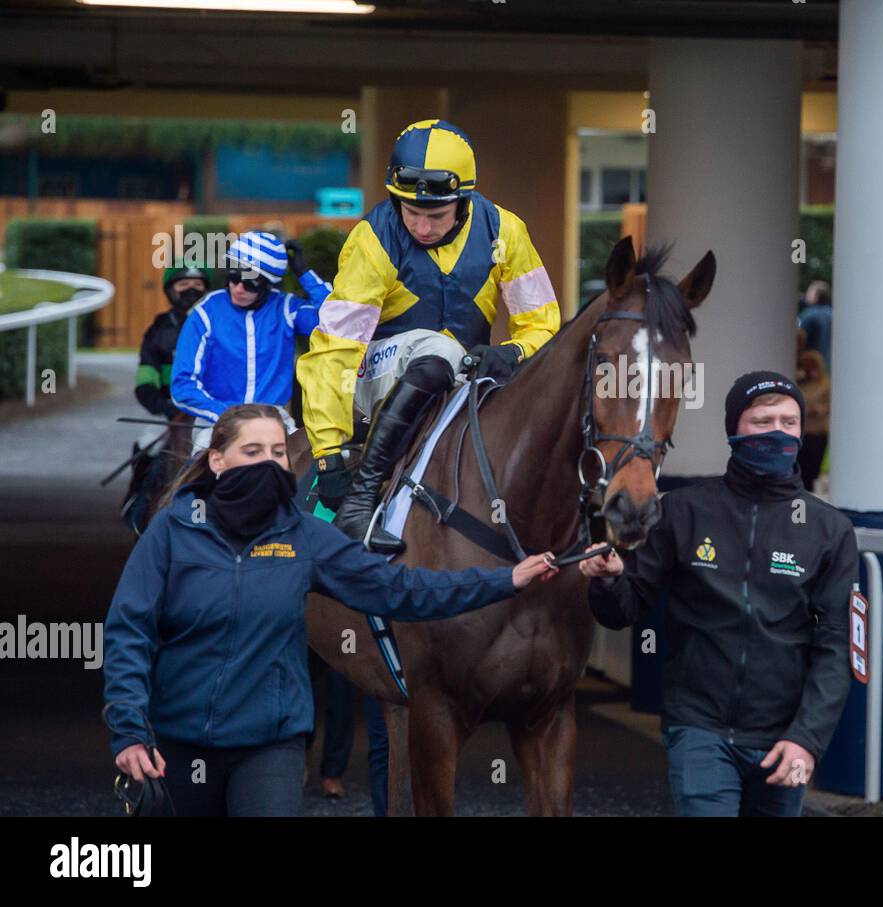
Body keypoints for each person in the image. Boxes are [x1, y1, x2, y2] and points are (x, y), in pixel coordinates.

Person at [103, 403, 558, 817]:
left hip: (270, 745)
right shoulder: (173, 531)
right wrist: (128, 731)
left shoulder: (305, 537)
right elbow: (129, 631)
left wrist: (505, 580)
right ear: (217, 461)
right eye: (253, 450)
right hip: (178, 743)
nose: (269, 462)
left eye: (278, 452)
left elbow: (399, 589)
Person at [579, 371, 860, 817]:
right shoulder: (683, 510)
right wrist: (610, 578)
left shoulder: (830, 531)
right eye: (763, 421)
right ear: (734, 429)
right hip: (699, 729)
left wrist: (807, 740)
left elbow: (835, 649)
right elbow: (623, 610)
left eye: (789, 423)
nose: (778, 433)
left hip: (783, 738)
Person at [297, 119, 561, 554]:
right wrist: (327, 454)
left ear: (464, 199)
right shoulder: (373, 236)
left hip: (460, 381)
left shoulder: (506, 231)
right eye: (410, 211)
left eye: (435, 214)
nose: (421, 227)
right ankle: (361, 500)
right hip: (369, 381)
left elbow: (542, 325)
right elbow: (335, 348)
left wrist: (513, 352)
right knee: (440, 351)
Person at [171, 230, 332, 452]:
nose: (238, 288)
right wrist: (228, 414)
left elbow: (338, 319)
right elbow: (182, 384)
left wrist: (304, 273)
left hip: (276, 422)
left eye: (250, 283)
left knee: (320, 465)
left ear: (268, 285)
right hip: (216, 422)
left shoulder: (286, 308)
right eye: (233, 278)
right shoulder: (205, 312)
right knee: (204, 464)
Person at [121, 259, 211, 534]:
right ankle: (139, 510)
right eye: (184, 284)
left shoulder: (221, 324)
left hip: (215, 415)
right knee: (147, 449)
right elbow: (145, 385)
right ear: (170, 291)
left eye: (198, 285)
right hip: (175, 417)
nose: (191, 290)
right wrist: (170, 408)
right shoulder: (158, 331)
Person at [795, 332, 830, 492]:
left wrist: (817, 409)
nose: (808, 368)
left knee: (811, 472)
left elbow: (829, 406)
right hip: (801, 433)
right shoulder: (798, 382)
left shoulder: (825, 385)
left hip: (817, 433)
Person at [798, 279, 833, 373]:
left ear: (816, 296)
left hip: (812, 369)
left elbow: (799, 339)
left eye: (810, 292)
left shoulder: (809, 315)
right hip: (829, 369)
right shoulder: (834, 314)